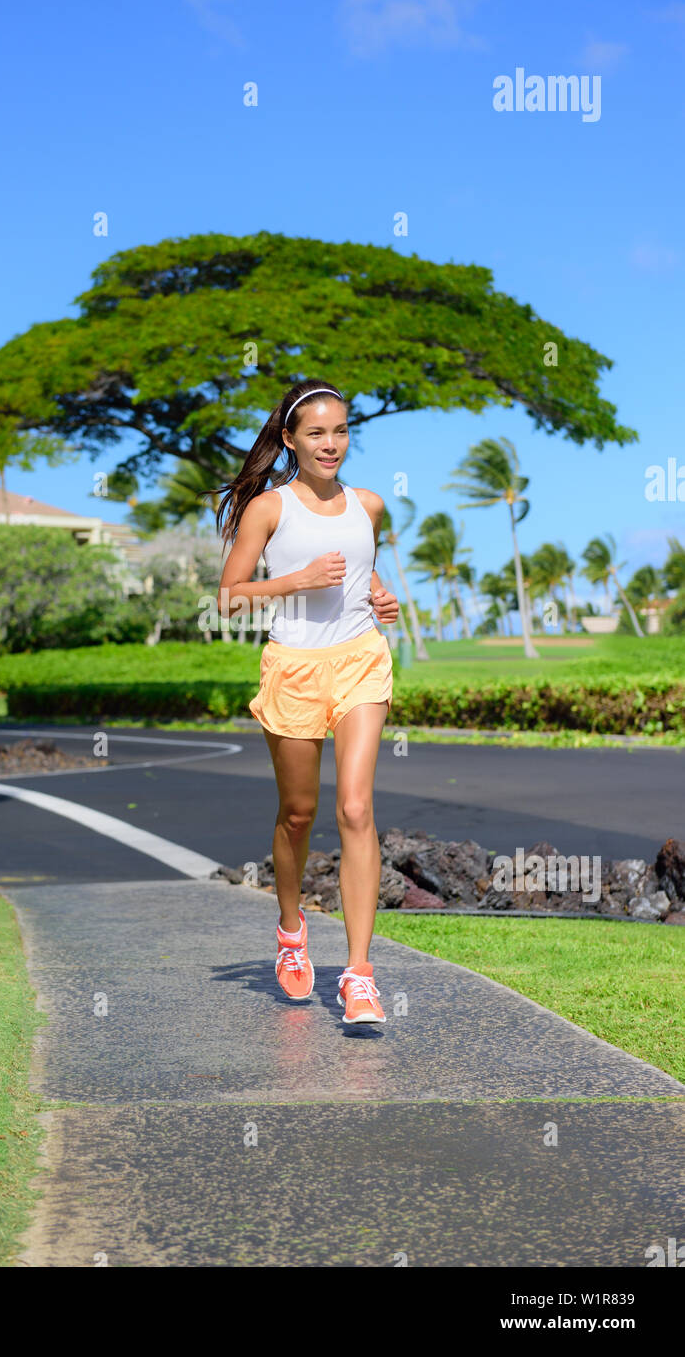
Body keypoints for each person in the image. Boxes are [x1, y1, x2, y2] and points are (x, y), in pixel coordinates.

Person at [216, 380, 400, 1025]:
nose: (331, 444)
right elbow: (230, 596)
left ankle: (358, 974)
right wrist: (294, 581)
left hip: (360, 660)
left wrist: (378, 596)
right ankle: (291, 931)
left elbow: (359, 565)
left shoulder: (369, 504)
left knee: (356, 808)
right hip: (293, 667)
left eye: (342, 431)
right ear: (290, 439)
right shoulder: (269, 508)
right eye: (317, 433)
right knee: (299, 813)